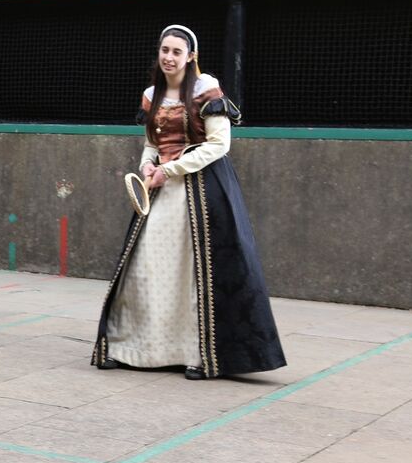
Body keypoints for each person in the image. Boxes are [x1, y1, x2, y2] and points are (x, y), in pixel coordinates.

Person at [91, 24, 285, 380]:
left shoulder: (205, 88)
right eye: (165, 50)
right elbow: (151, 141)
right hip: (160, 191)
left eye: (176, 52)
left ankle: (197, 355)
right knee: (145, 270)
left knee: (193, 275)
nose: (169, 57)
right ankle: (133, 349)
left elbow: (219, 145)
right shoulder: (152, 94)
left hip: (201, 190)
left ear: (190, 56)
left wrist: (172, 169)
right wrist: (148, 164)